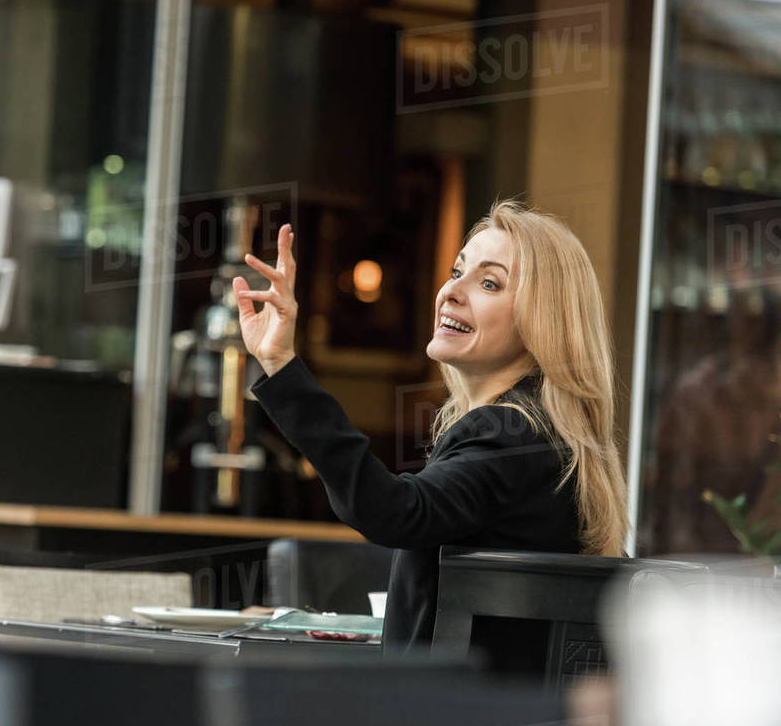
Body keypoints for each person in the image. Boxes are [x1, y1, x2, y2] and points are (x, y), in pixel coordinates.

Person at [233, 199, 630, 652]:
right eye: (457, 271)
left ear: (543, 321)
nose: (452, 291)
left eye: (489, 282)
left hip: (452, 714)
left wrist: (282, 366)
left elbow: (396, 512)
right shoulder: (541, 435)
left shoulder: (510, 434)